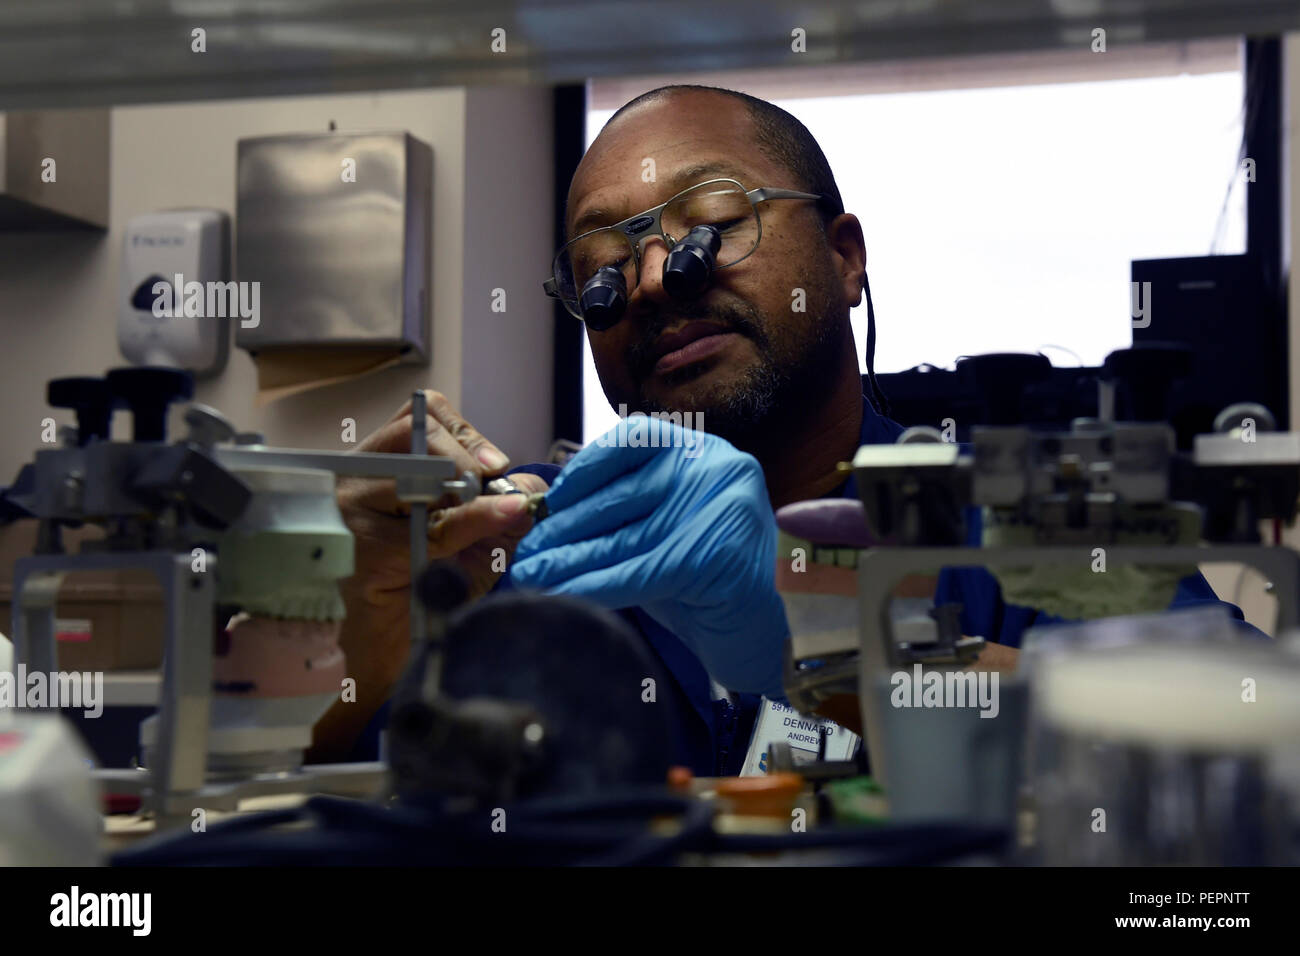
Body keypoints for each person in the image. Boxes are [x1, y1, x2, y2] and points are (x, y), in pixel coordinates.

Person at [308, 84, 1256, 772]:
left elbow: (1235, 731)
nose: (649, 282)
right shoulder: (520, 539)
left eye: (713, 221)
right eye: (602, 266)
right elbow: (297, 782)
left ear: (844, 261)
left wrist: (821, 632)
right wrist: (363, 611)